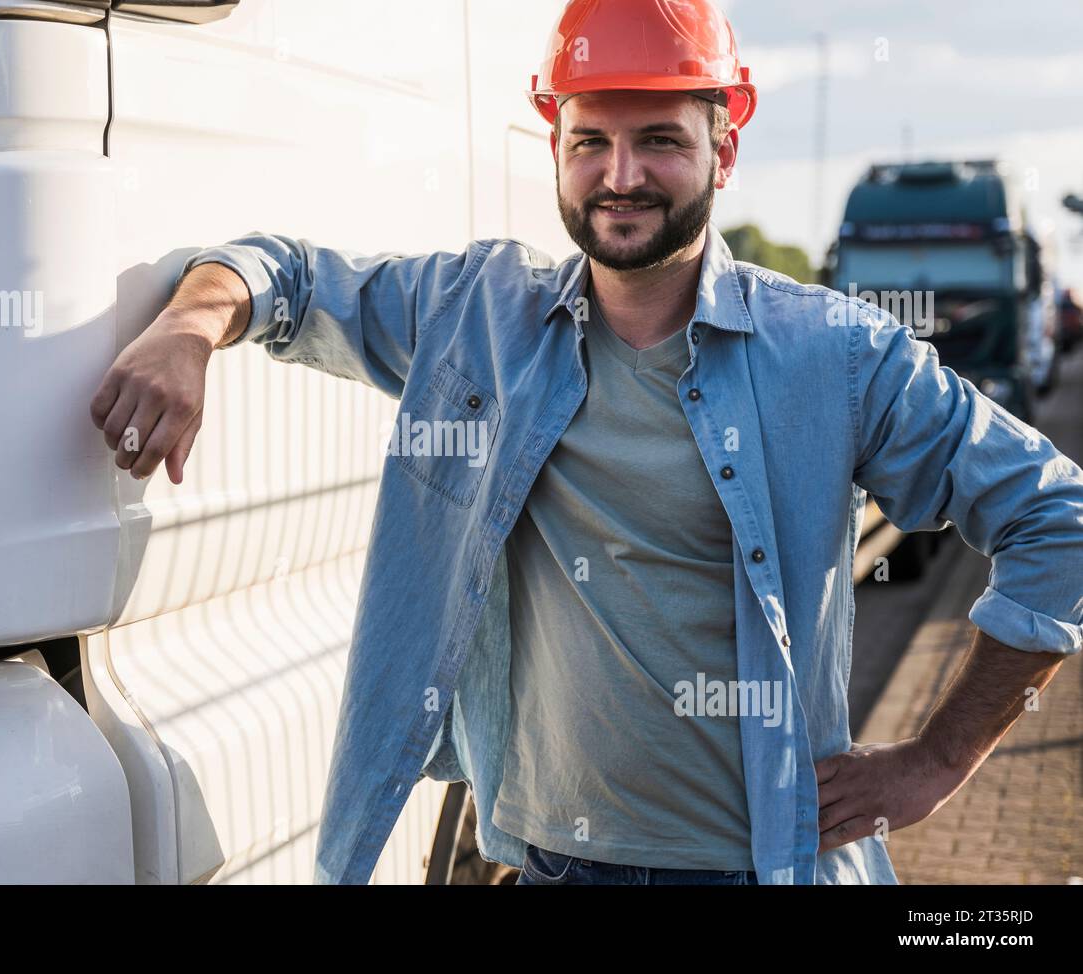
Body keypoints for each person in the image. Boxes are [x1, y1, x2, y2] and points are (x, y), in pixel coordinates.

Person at [89, 0, 1083, 885]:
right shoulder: (477, 315)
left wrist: (938, 759)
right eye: (588, 140)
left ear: (723, 148)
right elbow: (288, 275)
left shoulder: (831, 355)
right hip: (546, 862)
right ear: (553, 143)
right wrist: (189, 327)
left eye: (658, 140)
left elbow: (1056, 515)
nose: (620, 176)